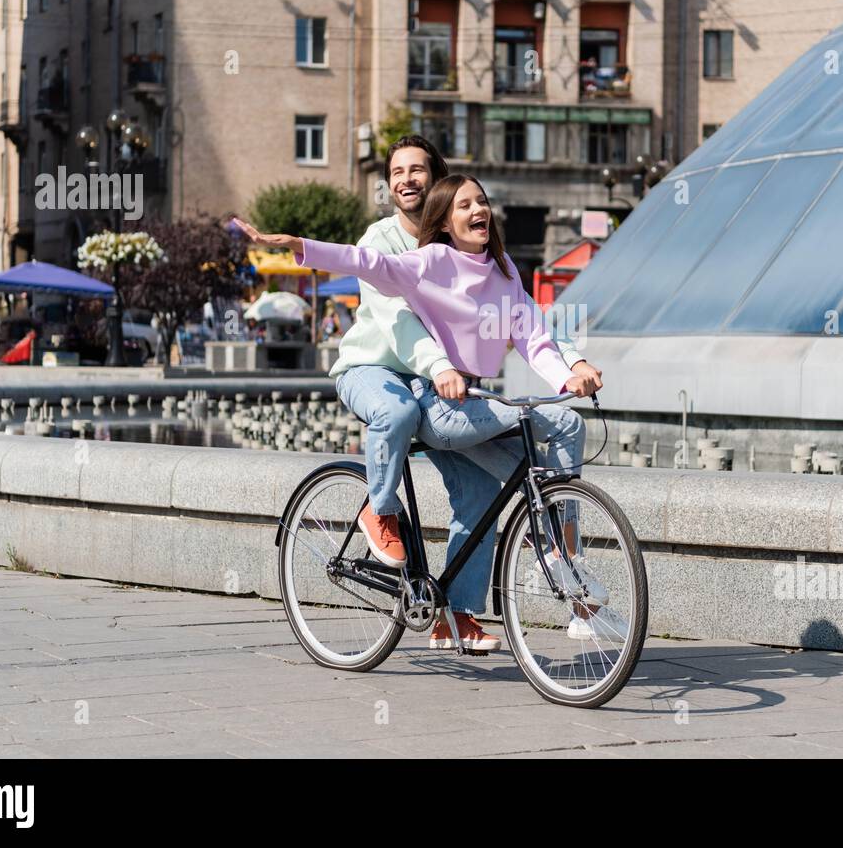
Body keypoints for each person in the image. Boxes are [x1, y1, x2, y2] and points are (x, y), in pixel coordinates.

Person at [233, 173, 624, 643]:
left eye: (482, 201)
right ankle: (557, 565)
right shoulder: (430, 262)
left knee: (545, 455)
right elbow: (367, 261)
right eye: (464, 205)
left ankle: (556, 567)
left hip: (474, 402)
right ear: (444, 222)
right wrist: (301, 246)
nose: (478, 210)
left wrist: (569, 374)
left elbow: (534, 337)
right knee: (556, 422)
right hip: (440, 405)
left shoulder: (503, 270)